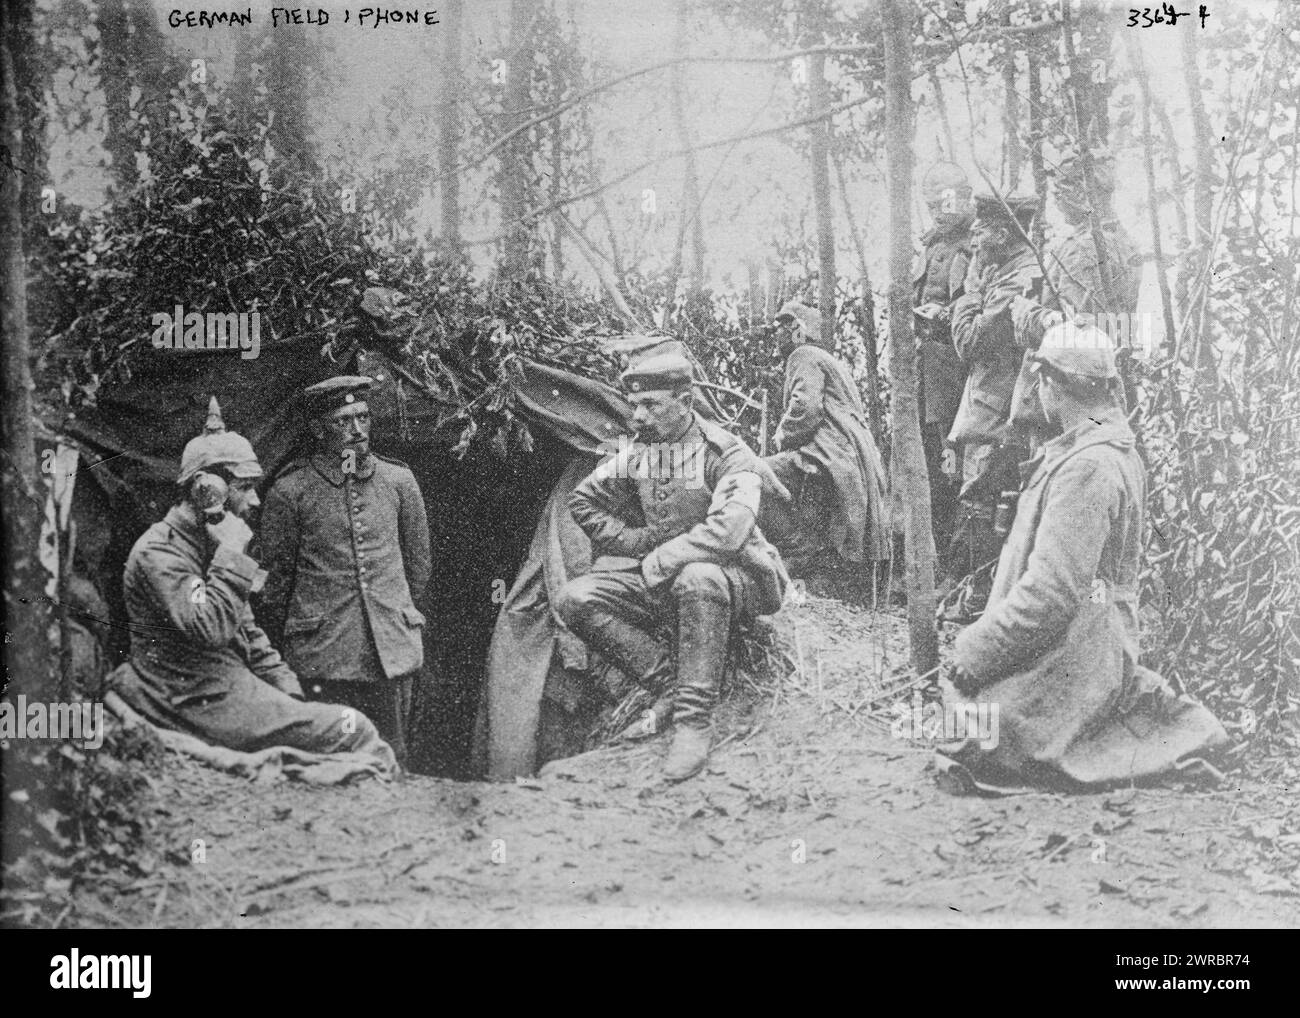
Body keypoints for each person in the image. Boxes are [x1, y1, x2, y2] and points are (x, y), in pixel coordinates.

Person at [940, 324, 1225, 788]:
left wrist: (975, 650)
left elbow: (1052, 594)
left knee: (976, 727)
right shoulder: (1099, 444)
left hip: (1080, 647)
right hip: (1087, 634)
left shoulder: (1089, 465)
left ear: (1051, 385)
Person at [112, 399, 396, 770]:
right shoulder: (160, 553)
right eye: (244, 487)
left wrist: (289, 692)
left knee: (336, 722)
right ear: (207, 490)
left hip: (222, 686)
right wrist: (231, 553)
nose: (254, 500)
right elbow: (210, 628)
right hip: (187, 695)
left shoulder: (206, 543)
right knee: (352, 729)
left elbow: (247, 631)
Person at [554, 352, 788, 782]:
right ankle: (670, 687)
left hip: (740, 577)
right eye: (635, 404)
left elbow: (730, 529)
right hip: (668, 581)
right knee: (576, 598)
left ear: (685, 400)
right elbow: (582, 500)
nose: (639, 415)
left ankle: (694, 722)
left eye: (652, 404)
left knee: (699, 575)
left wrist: (661, 556)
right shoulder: (641, 452)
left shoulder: (727, 451)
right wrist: (634, 541)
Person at [259, 376, 432, 767]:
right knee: (328, 754)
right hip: (323, 651)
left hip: (387, 648)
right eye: (343, 421)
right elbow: (278, 579)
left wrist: (398, 618)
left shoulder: (399, 481)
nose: (357, 430)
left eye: (363, 418)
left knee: (391, 752)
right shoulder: (291, 491)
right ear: (319, 430)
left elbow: (418, 566)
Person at [946, 194, 1043, 612]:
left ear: (1003, 233)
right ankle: (973, 594)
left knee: (985, 501)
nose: (973, 236)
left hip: (1000, 410)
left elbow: (970, 342)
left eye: (981, 229)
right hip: (993, 402)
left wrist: (967, 294)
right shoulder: (1005, 269)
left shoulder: (1017, 277)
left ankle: (976, 599)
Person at [760, 301, 890, 581]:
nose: (777, 334)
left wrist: (782, 436)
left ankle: (797, 547)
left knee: (752, 475)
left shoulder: (804, 355)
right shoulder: (827, 360)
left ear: (798, 330)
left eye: (783, 326)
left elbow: (805, 408)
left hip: (828, 450)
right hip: (849, 455)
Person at [914, 163, 974, 565]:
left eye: (946, 202)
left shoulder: (977, 247)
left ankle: (960, 566)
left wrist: (945, 314)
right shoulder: (930, 246)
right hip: (928, 370)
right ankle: (936, 562)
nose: (939, 211)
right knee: (932, 470)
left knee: (956, 465)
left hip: (960, 373)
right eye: (932, 204)